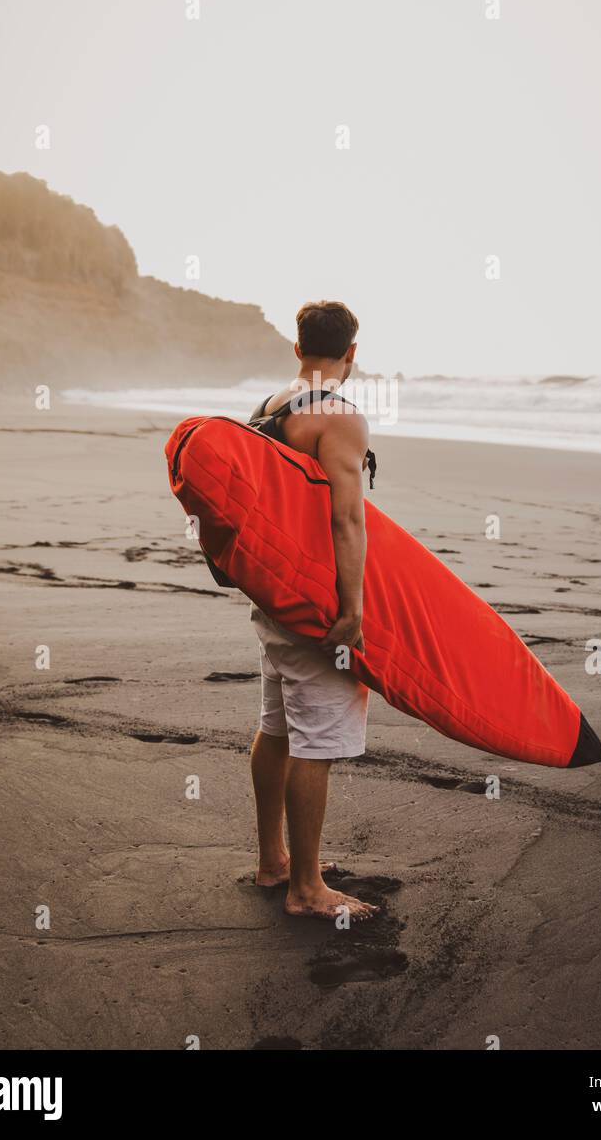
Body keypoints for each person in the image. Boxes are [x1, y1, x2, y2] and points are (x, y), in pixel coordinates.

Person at [247, 300, 379, 920]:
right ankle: (306, 887)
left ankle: (275, 860)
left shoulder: (268, 409)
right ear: (352, 353)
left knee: (276, 727)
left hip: (274, 593)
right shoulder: (341, 417)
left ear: (298, 349)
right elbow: (346, 519)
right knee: (317, 742)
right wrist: (350, 611)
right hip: (316, 600)